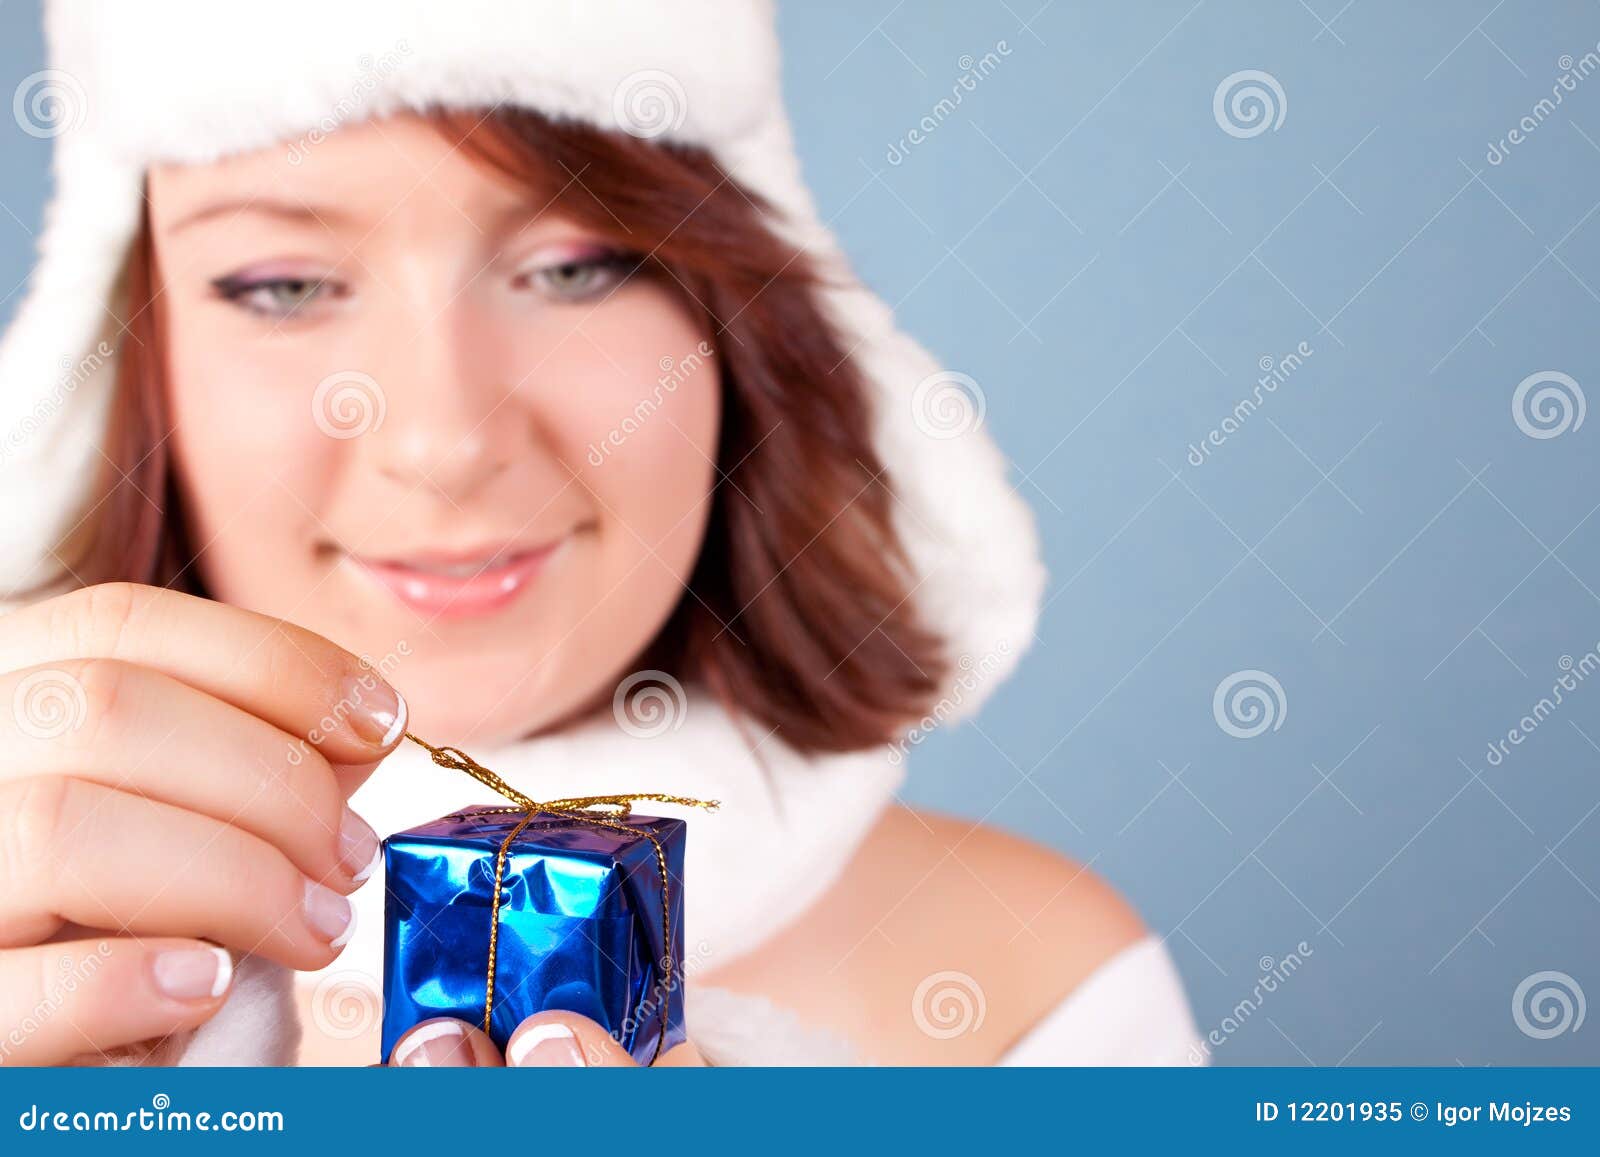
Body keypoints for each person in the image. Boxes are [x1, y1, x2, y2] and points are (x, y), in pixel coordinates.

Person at [0, 0, 1202, 1066]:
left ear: (739, 323)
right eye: (283, 285)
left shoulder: (1037, 997)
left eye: (578, 267)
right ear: (124, 355)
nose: (441, 438)